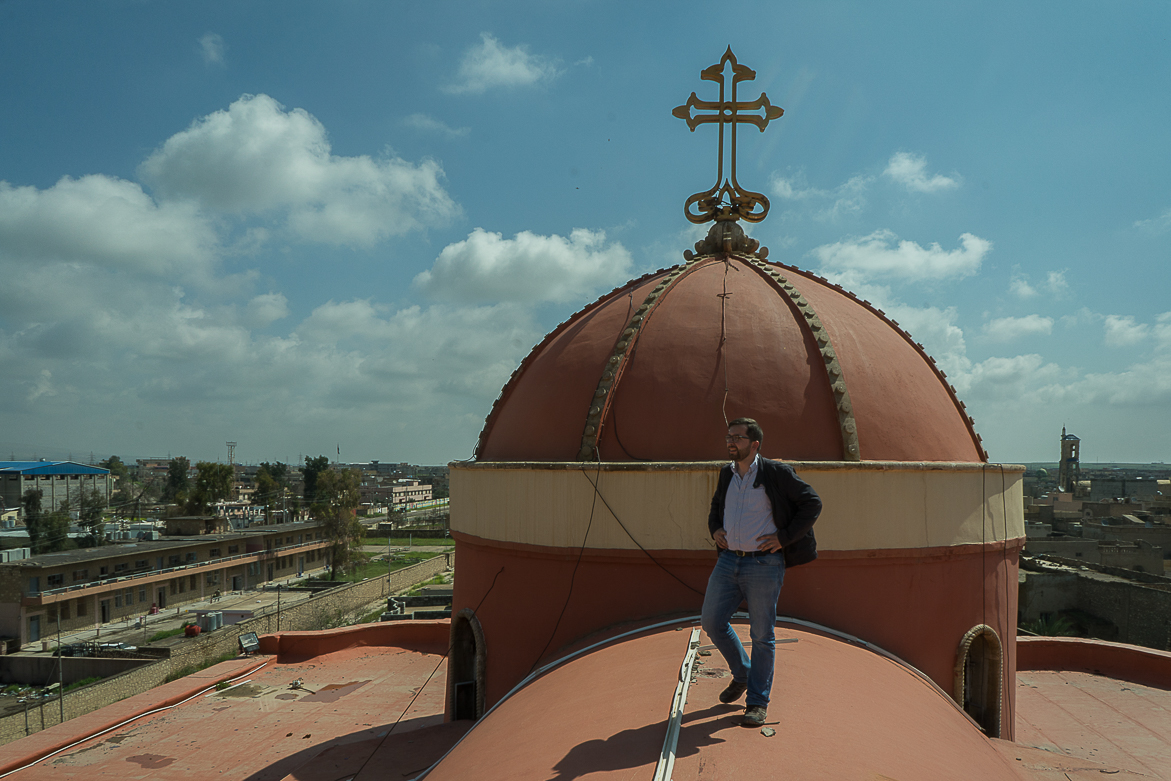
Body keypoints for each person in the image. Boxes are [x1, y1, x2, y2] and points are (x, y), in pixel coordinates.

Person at [701, 417, 822, 727]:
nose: (731, 442)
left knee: (762, 635)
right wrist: (715, 527)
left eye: (738, 438)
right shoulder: (727, 473)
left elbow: (812, 503)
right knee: (712, 621)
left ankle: (757, 702)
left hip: (763, 565)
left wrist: (783, 537)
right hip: (729, 560)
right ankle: (742, 673)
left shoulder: (776, 473)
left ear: (755, 444)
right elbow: (717, 505)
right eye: (729, 436)